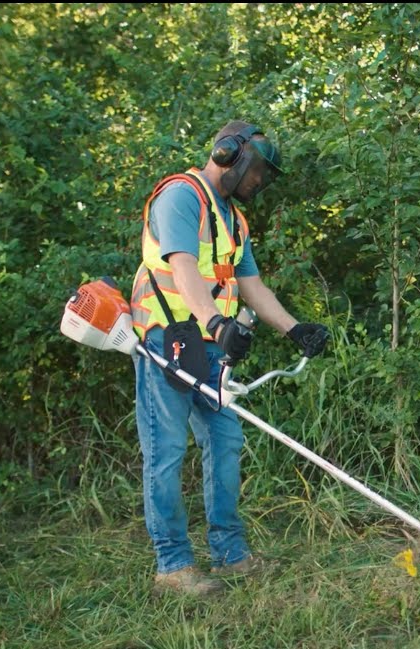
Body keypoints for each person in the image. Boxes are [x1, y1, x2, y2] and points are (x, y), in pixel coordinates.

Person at [128, 120, 330, 599]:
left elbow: (252, 286)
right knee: (167, 452)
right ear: (227, 154)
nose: (260, 181)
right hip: (167, 341)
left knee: (225, 444)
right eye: (258, 170)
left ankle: (231, 554)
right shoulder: (182, 197)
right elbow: (182, 268)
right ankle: (173, 566)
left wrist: (294, 328)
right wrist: (217, 323)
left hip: (208, 346)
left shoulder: (234, 220)